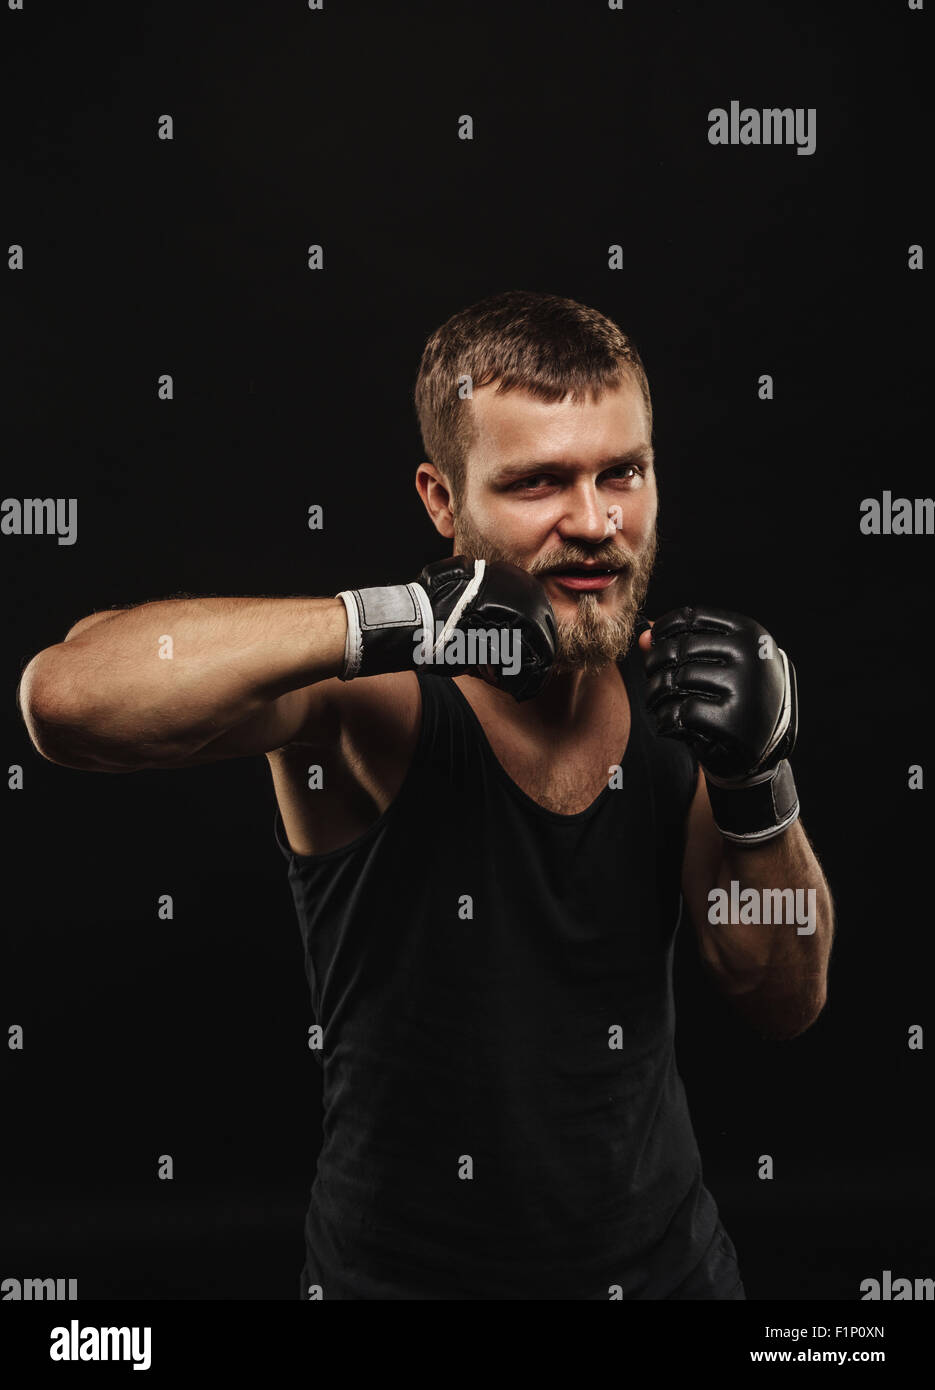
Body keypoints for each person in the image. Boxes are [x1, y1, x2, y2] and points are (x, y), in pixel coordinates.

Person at [18, 289, 833, 1300]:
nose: (592, 521)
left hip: (669, 1275)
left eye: (619, 472)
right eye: (537, 482)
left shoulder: (682, 705)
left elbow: (784, 998)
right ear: (443, 502)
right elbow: (66, 698)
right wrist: (394, 618)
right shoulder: (378, 704)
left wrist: (759, 778)